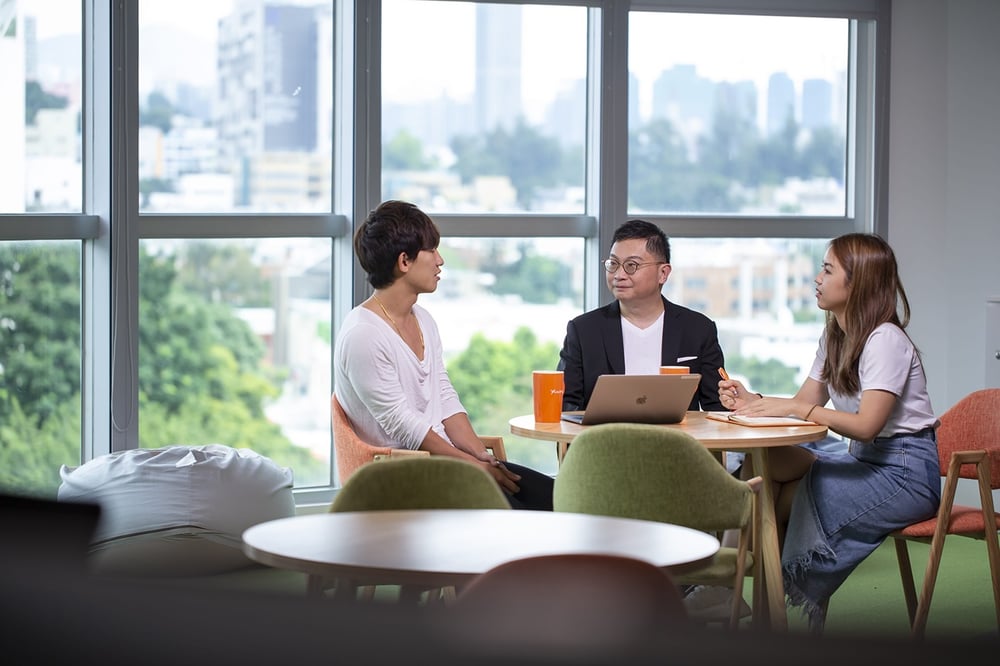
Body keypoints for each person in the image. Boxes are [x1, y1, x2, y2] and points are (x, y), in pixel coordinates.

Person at [717, 233, 940, 631]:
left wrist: (795, 408)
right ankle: (737, 598)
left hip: (905, 474)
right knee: (763, 464)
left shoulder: (885, 339)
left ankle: (742, 599)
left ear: (857, 282)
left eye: (827, 270)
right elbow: (805, 402)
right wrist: (754, 400)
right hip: (863, 460)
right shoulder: (835, 335)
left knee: (775, 495)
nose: (817, 278)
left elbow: (867, 426)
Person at [333, 200, 553, 511]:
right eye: (432, 250)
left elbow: (444, 397)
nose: (440, 260)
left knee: (556, 497)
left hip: (441, 462)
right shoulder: (363, 334)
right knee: (523, 515)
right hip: (403, 472)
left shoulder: (423, 319)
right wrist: (471, 467)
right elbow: (403, 425)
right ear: (404, 261)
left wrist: (481, 456)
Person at [558, 219, 725, 414]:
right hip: (605, 433)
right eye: (613, 264)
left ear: (663, 273)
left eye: (631, 265)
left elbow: (718, 407)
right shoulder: (583, 330)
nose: (619, 274)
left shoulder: (698, 329)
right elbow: (566, 406)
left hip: (678, 434)